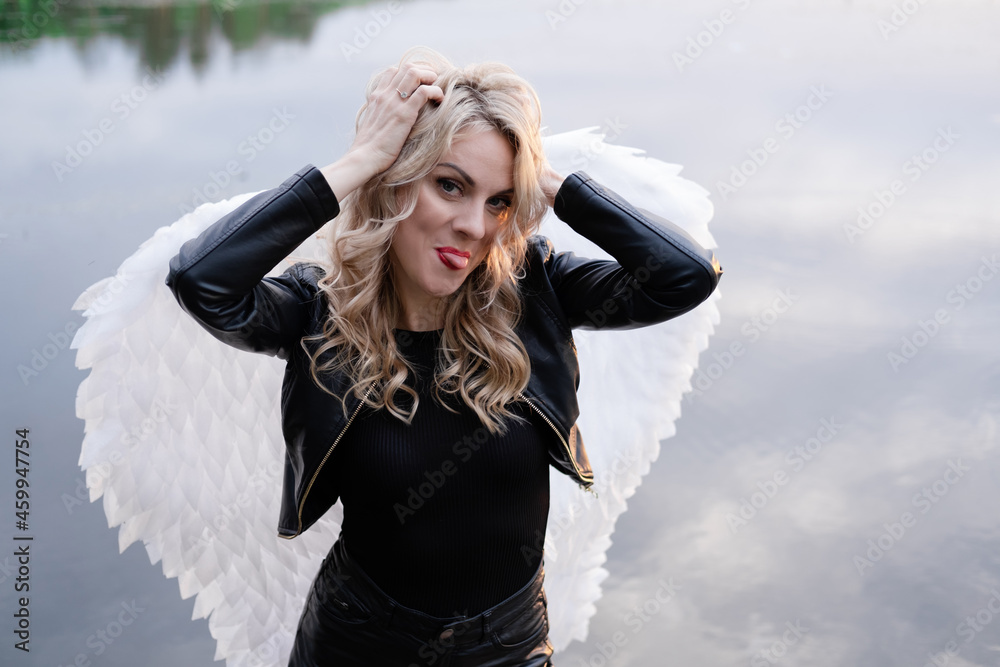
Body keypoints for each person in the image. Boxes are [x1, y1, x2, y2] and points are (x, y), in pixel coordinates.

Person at [166, 47, 721, 667]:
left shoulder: (536, 293)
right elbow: (200, 280)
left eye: (499, 201)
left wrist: (549, 181)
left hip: (508, 647)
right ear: (398, 177)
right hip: (359, 642)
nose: (473, 226)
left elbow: (685, 276)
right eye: (450, 185)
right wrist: (361, 159)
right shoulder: (318, 311)